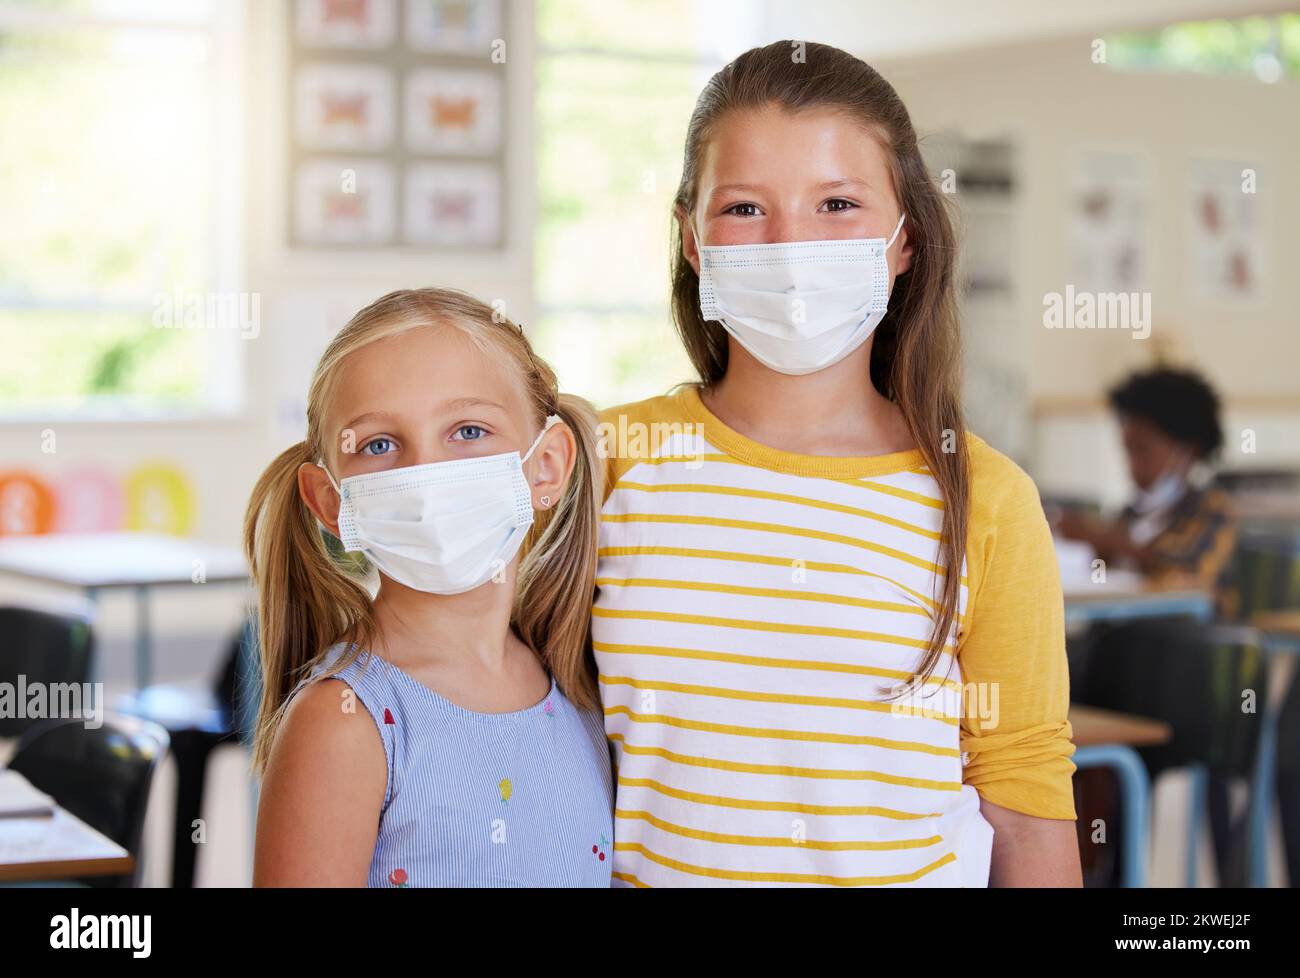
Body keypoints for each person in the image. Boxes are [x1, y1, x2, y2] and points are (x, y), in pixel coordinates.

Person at [593, 41, 1080, 887]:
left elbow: (1027, 821)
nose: (790, 247)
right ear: (692, 240)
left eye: (838, 204)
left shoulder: (985, 499)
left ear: (904, 241)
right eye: (744, 208)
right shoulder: (606, 462)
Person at [247, 288, 613, 887]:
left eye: (468, 430)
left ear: (546, 465)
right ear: (331, 502)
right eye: (380, 445)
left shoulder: (577, 685)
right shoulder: (343, 724)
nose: (426, 473)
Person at [1056, 366, 1237, 610]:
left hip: (1191, 639)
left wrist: (1099, 536)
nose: (1132, 467)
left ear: (1187, 451)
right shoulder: (1134, 512)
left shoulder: (1213, 509)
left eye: (1142, 451)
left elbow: (1188, 569)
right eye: (1128, 452)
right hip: (1129, 629)